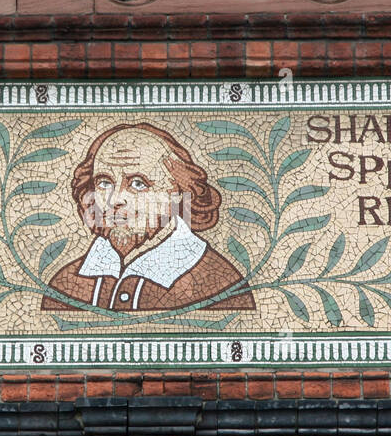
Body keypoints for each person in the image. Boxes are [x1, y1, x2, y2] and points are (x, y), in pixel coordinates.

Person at [41, 123, 255, 313]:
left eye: (137, 184)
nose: (115, 199)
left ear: (178, 192)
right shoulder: (65, 284)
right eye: (104, 182)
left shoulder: (220, 286)